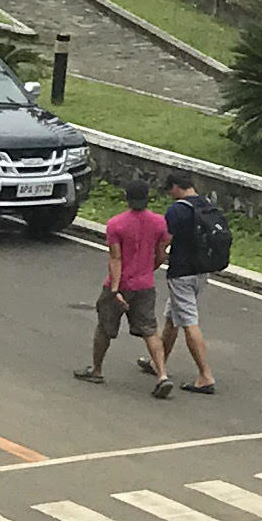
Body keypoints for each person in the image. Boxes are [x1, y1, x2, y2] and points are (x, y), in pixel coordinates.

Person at [145, 166, 231, 396]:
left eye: (169, 190)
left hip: (182, 272)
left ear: (175, 187)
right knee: (173, 315)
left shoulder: (177, 211)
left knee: (188, 321)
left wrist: (153, 264)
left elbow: (164, 243)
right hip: (203, 271)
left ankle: (205, 375)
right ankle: (158, 361)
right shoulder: (206, 204)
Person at [78, 178, 169, 390]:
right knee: (150, 330)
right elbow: (161, 254)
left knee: (104, 328)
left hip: (120, 285)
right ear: (147, 199)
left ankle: (97, 370)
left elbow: (116, 259)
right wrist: (148, 270)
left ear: (126, 198)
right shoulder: (159, 223)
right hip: (145, 285)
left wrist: (116, 289)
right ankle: (162, 375)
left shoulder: (116, 224)